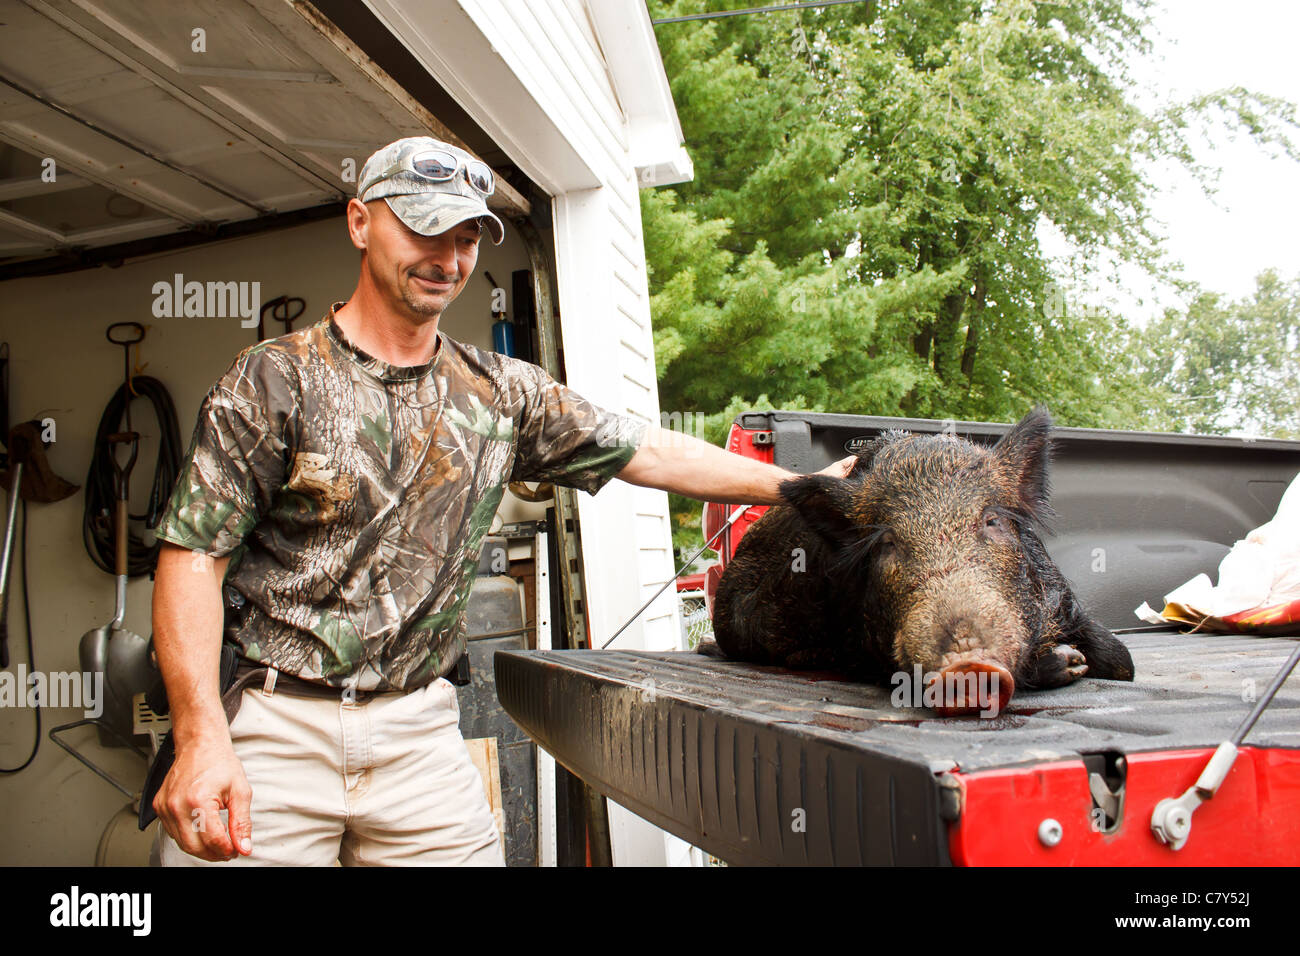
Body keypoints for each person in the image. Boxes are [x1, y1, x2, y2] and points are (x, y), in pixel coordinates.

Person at [150, 136, 853, 866]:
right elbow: (192, 556)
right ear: (360, 222)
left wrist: (799, 488)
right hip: (273, 726)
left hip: (417, 736)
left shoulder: (503, 393)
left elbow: (646, 449)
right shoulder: (272, 380)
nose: (447, 259)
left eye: (464, 239)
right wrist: (201, 737)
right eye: (424, 229)